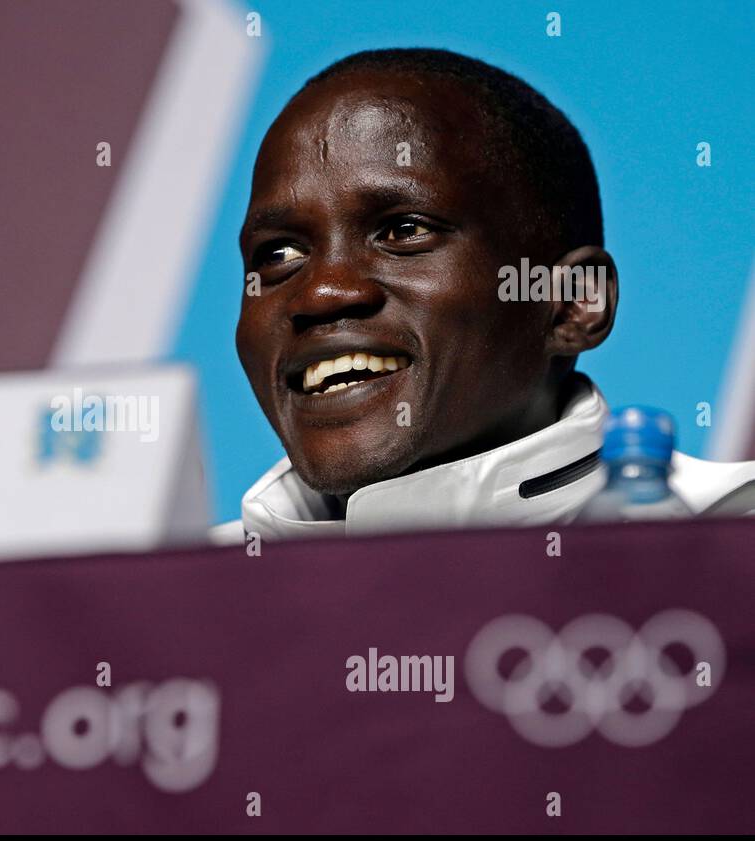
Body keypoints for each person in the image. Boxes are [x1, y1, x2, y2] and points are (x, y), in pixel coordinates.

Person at [213, 48, 755, 542]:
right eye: (279, 254)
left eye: (404, 231)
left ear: (572, 301)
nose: (324, 292)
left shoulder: (729, 544)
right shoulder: (166, 607)